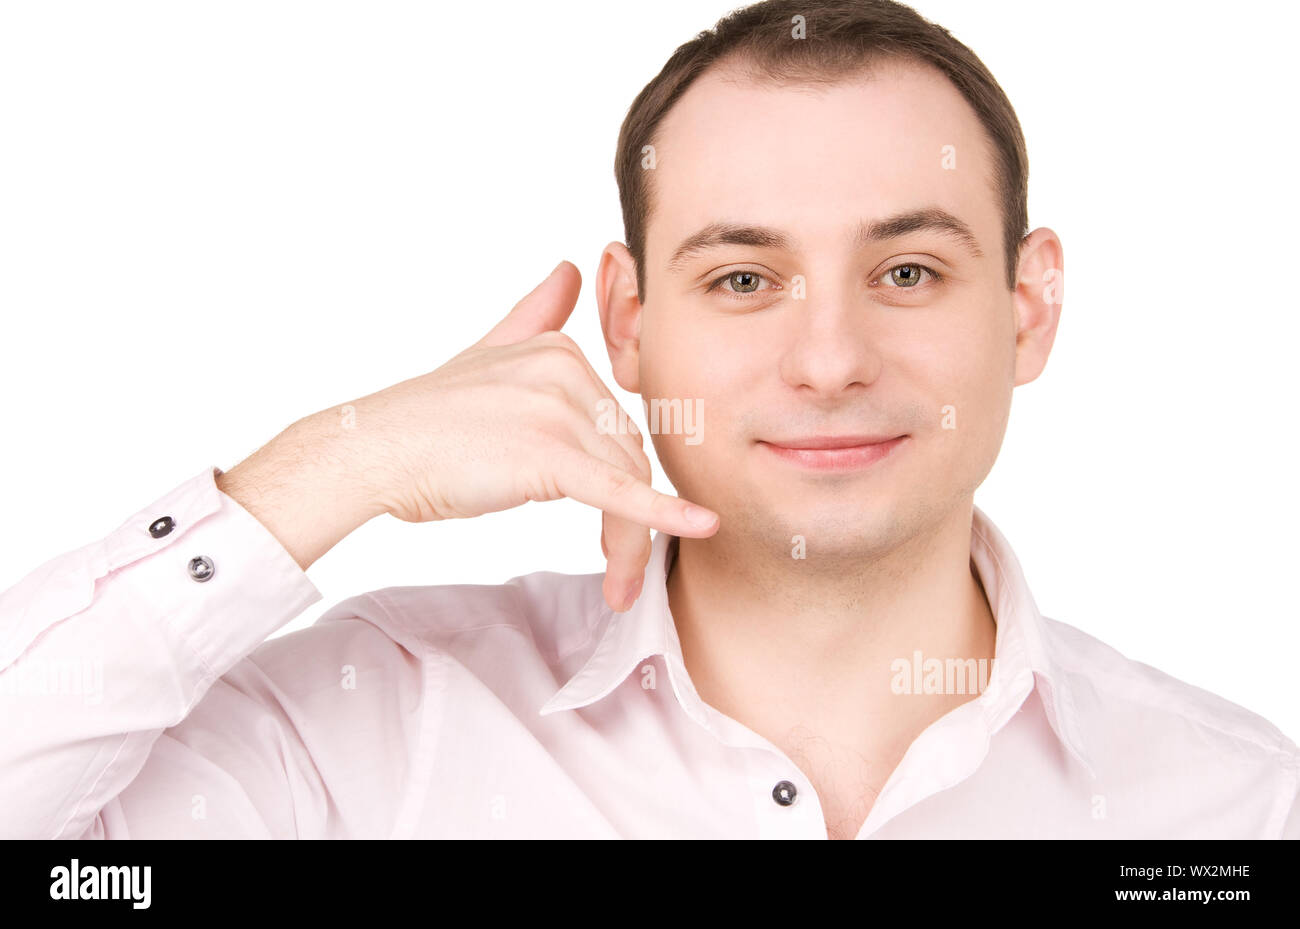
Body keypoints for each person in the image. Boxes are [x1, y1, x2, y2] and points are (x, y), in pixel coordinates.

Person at [2, 0, 1296, 840]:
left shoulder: (1238, 806)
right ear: (626, 321)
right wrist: (330, 470)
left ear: (1028, 308)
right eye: (744, 278)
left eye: (907, 272)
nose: (832, 358)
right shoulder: (374, 729)